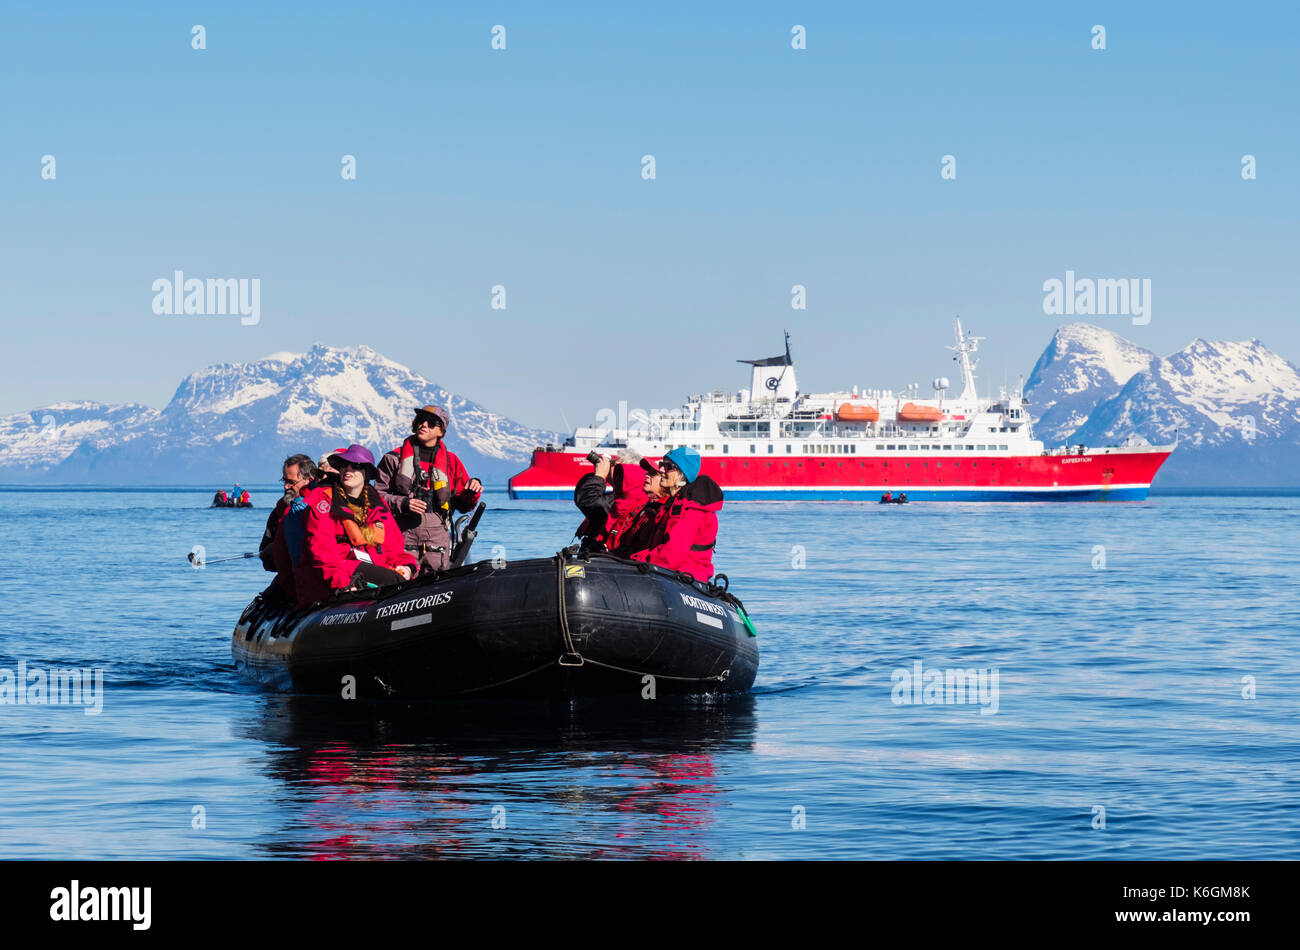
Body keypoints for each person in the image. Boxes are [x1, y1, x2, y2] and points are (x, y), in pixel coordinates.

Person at [294, 445, 418, 607]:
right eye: (344, 465)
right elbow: (321, 551)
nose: (348, 470)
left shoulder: (377, 505)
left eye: (356, 466)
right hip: (336, 576)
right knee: (393, 580)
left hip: (369, 570)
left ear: (366, 472)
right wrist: (343, 584)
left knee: (403, 581)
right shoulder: (323, 502)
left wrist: (407, 566)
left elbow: (393, 545)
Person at [375, 405, 482, 574]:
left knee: (438, 586)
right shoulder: (393, 459)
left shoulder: (452, 462)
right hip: (401, 534)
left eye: (431, 422)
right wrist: (403, 503)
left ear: (441, 431)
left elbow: (465, 506)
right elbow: (376, 498)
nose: (423, 425)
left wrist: (473, 491)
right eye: (420, 420)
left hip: (438, 538)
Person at [629, 447, 723, 582]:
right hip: (670, 576)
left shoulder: (691, 510)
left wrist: (633, 561)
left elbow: (671, 556)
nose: (661, 470)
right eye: (662, 465)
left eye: (668, 466)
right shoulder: (673, 505)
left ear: (681, 474)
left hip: (684, 580)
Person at [573, 450, 658, 553]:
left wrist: (599, 475)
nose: (609, 467)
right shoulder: (621, 497)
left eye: (614, 465)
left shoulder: (628, 500)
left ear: (627, 471)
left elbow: (587, 501)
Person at [259, 455, 317, 572]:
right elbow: (265, 555)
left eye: (291, 482)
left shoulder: (321, 507)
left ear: (309, 480)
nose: (286, 486)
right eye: (284, 481)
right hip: (288, 575)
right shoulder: (279, 510)